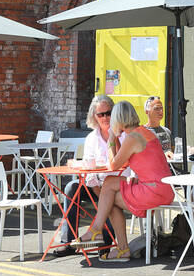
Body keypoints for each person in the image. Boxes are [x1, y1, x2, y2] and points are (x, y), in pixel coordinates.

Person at [72, 100, 173, 262]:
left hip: (153, 191)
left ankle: (110, 240)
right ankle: (106, 237)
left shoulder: (133, 137)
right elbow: (122, 162)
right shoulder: (141, 133)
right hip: (161, 188)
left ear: (118, 119)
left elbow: (113, 164)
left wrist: (112, 136)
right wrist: (117, 138)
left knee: (109, 198)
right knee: (110, 183)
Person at [49, 95, 117, 256]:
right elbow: (89, 172)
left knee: (109, 196)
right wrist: (100, 194)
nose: (105, 117)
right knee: (71, 187)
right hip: (97, 187)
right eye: (101, 114)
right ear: (94, 116)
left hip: (116, 186)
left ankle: (105, 243)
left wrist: (105, 194)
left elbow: (125, 170)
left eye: (109, 113)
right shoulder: (91, 139)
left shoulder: (122, 135)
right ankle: (69, 242)